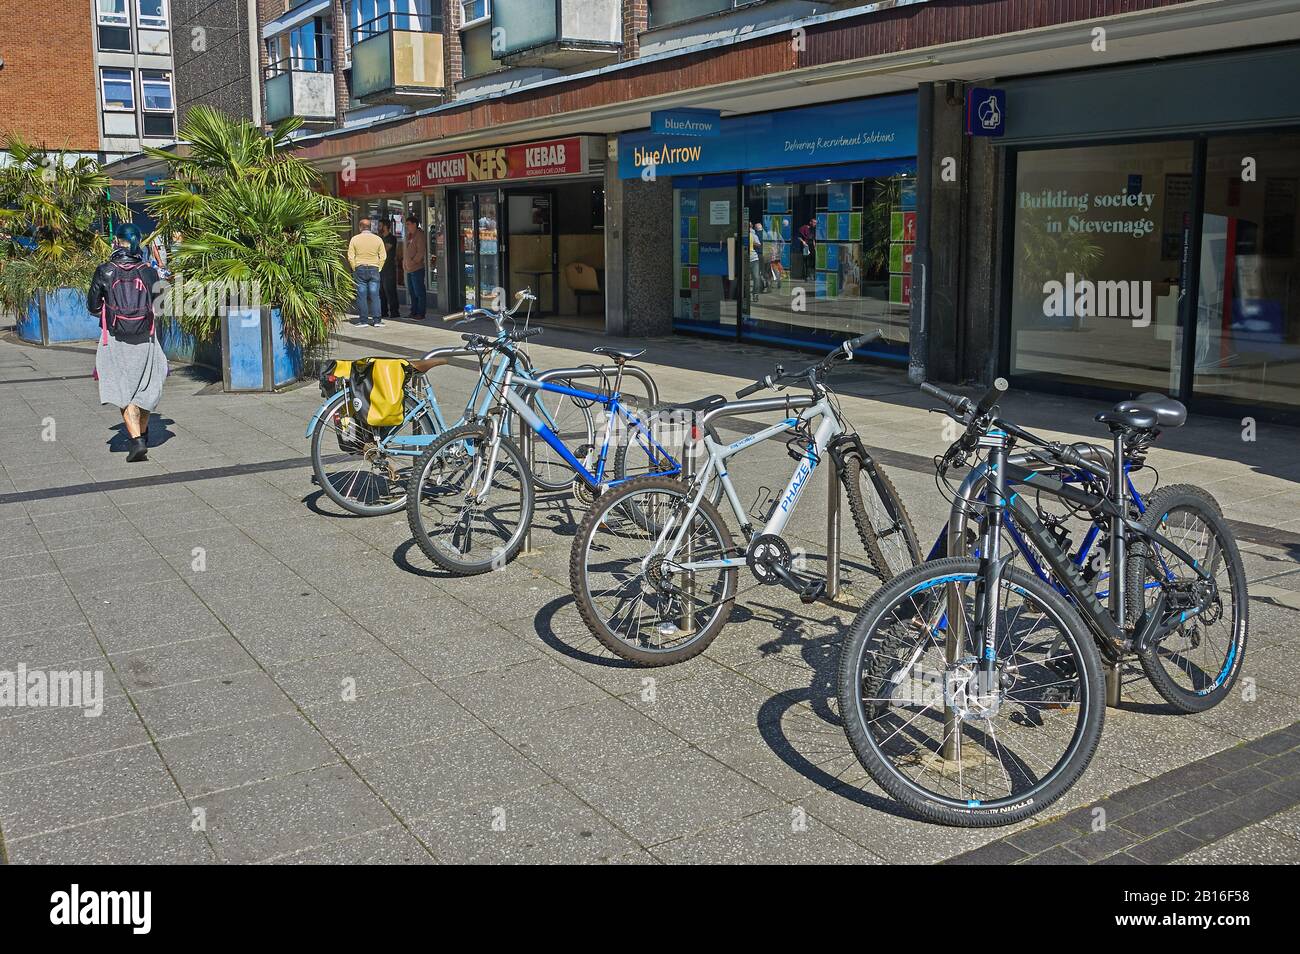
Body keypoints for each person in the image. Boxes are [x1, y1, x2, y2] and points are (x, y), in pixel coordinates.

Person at [87, 223, 166, 463]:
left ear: (117, 242)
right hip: (146, 337)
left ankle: (136, 442)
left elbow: (92, 306)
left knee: (123, 387)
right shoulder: (149, 271)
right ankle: (142, 432)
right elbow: (160, 305)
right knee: (145, 385)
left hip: (115, 338)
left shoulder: (105, 270)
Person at [347, 217, 386, 327]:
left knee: (361, 295)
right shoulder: (378, 239)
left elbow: (350, 256)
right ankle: (377, 320)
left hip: (360, 268)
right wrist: (379, 267)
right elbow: (383, 256)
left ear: (360, 227)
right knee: (375, 295)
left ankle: (363, 320)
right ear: (370, 227)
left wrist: (354, 267)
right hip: (374, 268)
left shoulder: (354, 239)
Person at [403, 214, 427, 320]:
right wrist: (405, 263)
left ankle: (421, 313)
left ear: (414, 224)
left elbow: (420, 252)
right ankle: (413, 311)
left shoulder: (419, 235)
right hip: (409, 269)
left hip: (417, 268)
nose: (407, 226)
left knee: (419, 292)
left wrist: (413, 262)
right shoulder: (409, 236)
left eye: (408, 224)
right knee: (412, 292)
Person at [378, 220, 400, 320]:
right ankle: (384, 312)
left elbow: (384, 250)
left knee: (390, 290)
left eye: (381, 225)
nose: (379, 227)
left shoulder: (391, 238)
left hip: (389, 268)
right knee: (381, 291)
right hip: (381, 268)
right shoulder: (380, 238)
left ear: (386, 227)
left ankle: (394, 312)